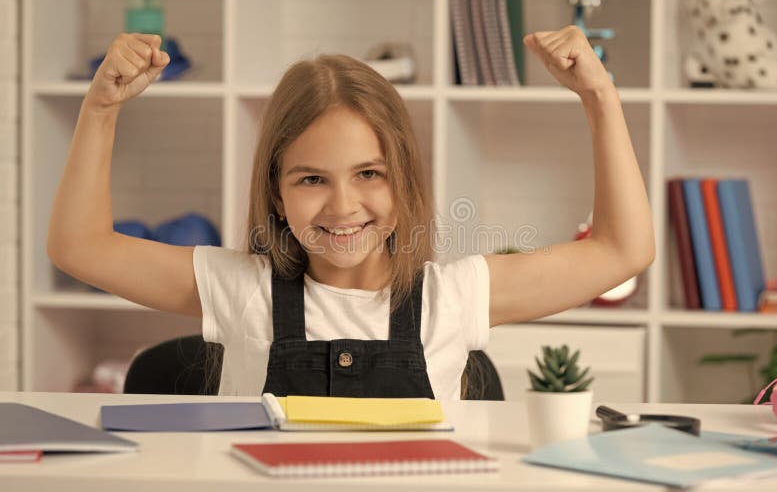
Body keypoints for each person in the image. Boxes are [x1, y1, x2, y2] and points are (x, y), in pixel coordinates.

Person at [48, 27, 654, 400]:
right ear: (277, 194)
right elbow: (80, 247)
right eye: (312, 179)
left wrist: (599, 97)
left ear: (403, 181)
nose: (343, 206)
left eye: (369, 174)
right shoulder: (242, 290)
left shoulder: (454, 298)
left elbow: (622, 252)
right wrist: (101, 108)